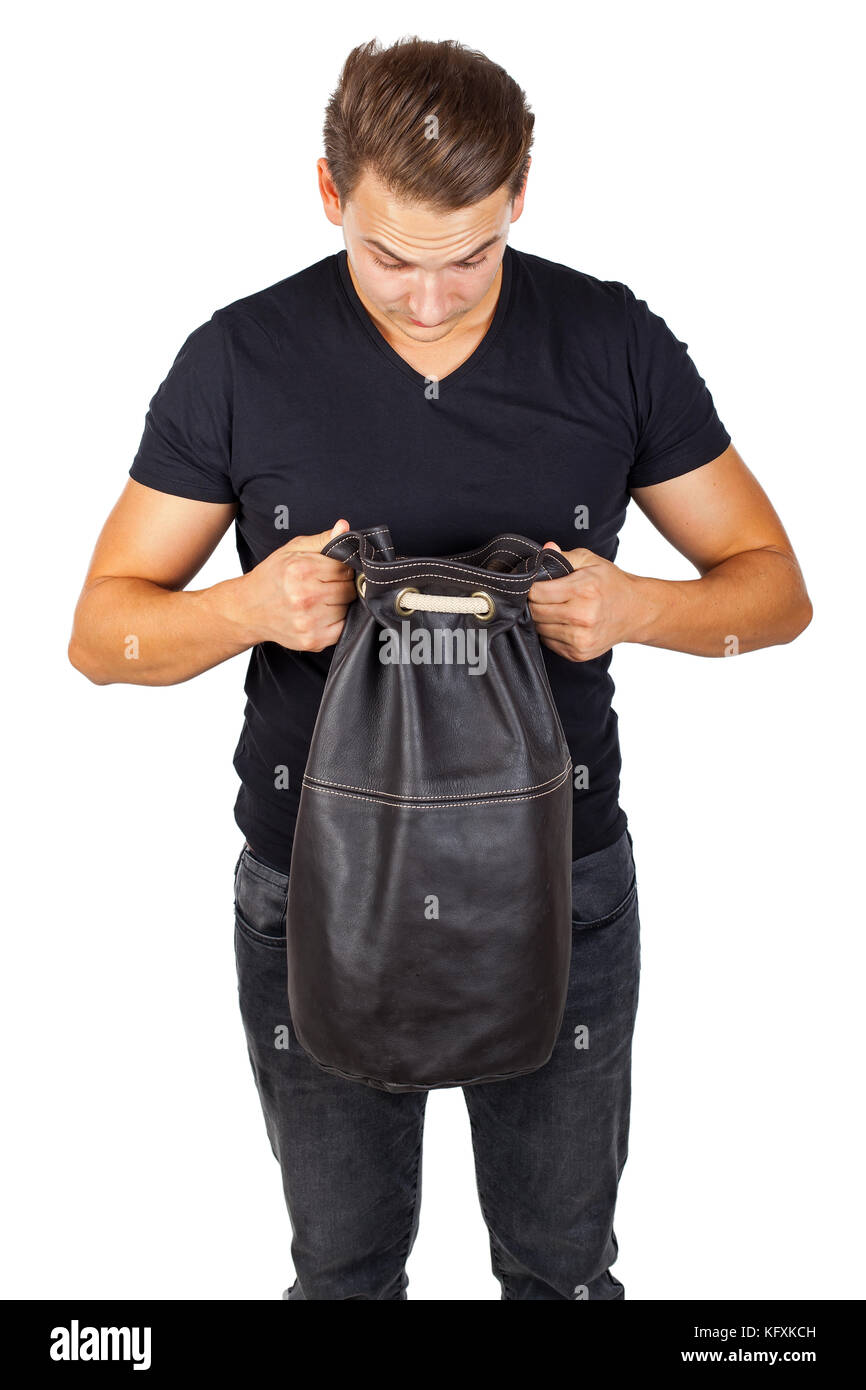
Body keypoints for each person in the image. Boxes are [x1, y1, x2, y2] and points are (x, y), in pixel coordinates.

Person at [68, 36, 812, 1300]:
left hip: (558, 884)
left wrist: (634, 605)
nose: (431, 298)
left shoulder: (608, 341)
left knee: (561, 1271)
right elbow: (100, 636)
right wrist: (248, 605)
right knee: (344, 1272)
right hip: (314, 886)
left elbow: (774, 596)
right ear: (326, 193)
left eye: (470, 254)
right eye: (389, 259)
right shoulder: (241, 357)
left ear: (519, 193)